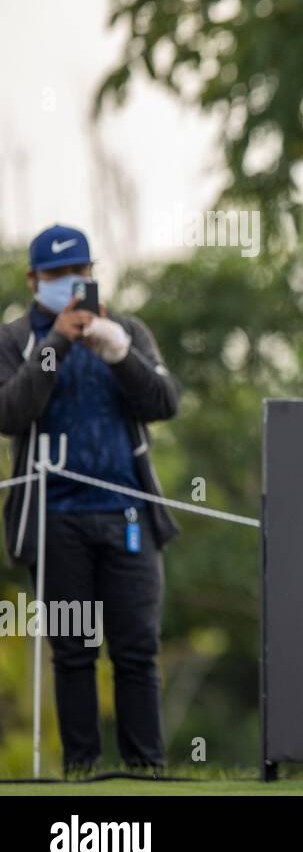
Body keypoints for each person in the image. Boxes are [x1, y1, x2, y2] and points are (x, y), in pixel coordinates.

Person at [0, 223, 181, 777]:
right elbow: (10, 414)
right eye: (56, 274)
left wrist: (119, 353)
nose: (70, 283)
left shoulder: (127, 329)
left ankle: (145, 770)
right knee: (73, 652)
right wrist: (56, 343)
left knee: (135, 649)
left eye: (79, 271)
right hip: (55, 518)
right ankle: (82, 771)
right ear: (34, 279)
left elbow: (164, 402)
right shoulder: (14, 341)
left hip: (128, 516)